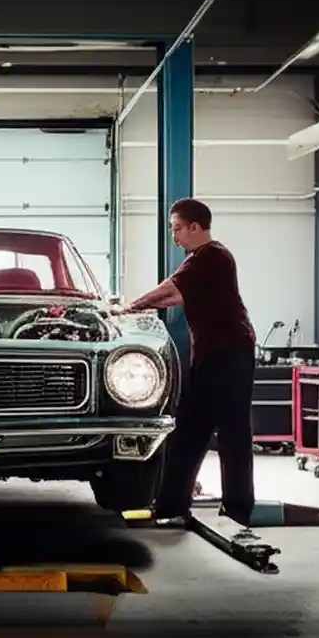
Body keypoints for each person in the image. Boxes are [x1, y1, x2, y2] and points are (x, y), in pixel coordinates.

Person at [119, 197, 257, 526]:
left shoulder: (212, 256)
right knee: (189, 431)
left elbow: (168, 291)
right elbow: (175, 296)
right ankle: (171, 506)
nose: (175, 236)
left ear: (195, 227)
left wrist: (125, 309)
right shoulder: (198, 262)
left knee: (233, 433)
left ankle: (238, 510)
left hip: (230, 354)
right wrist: (136, 309)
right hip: (210, 356)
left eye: (177, 229)